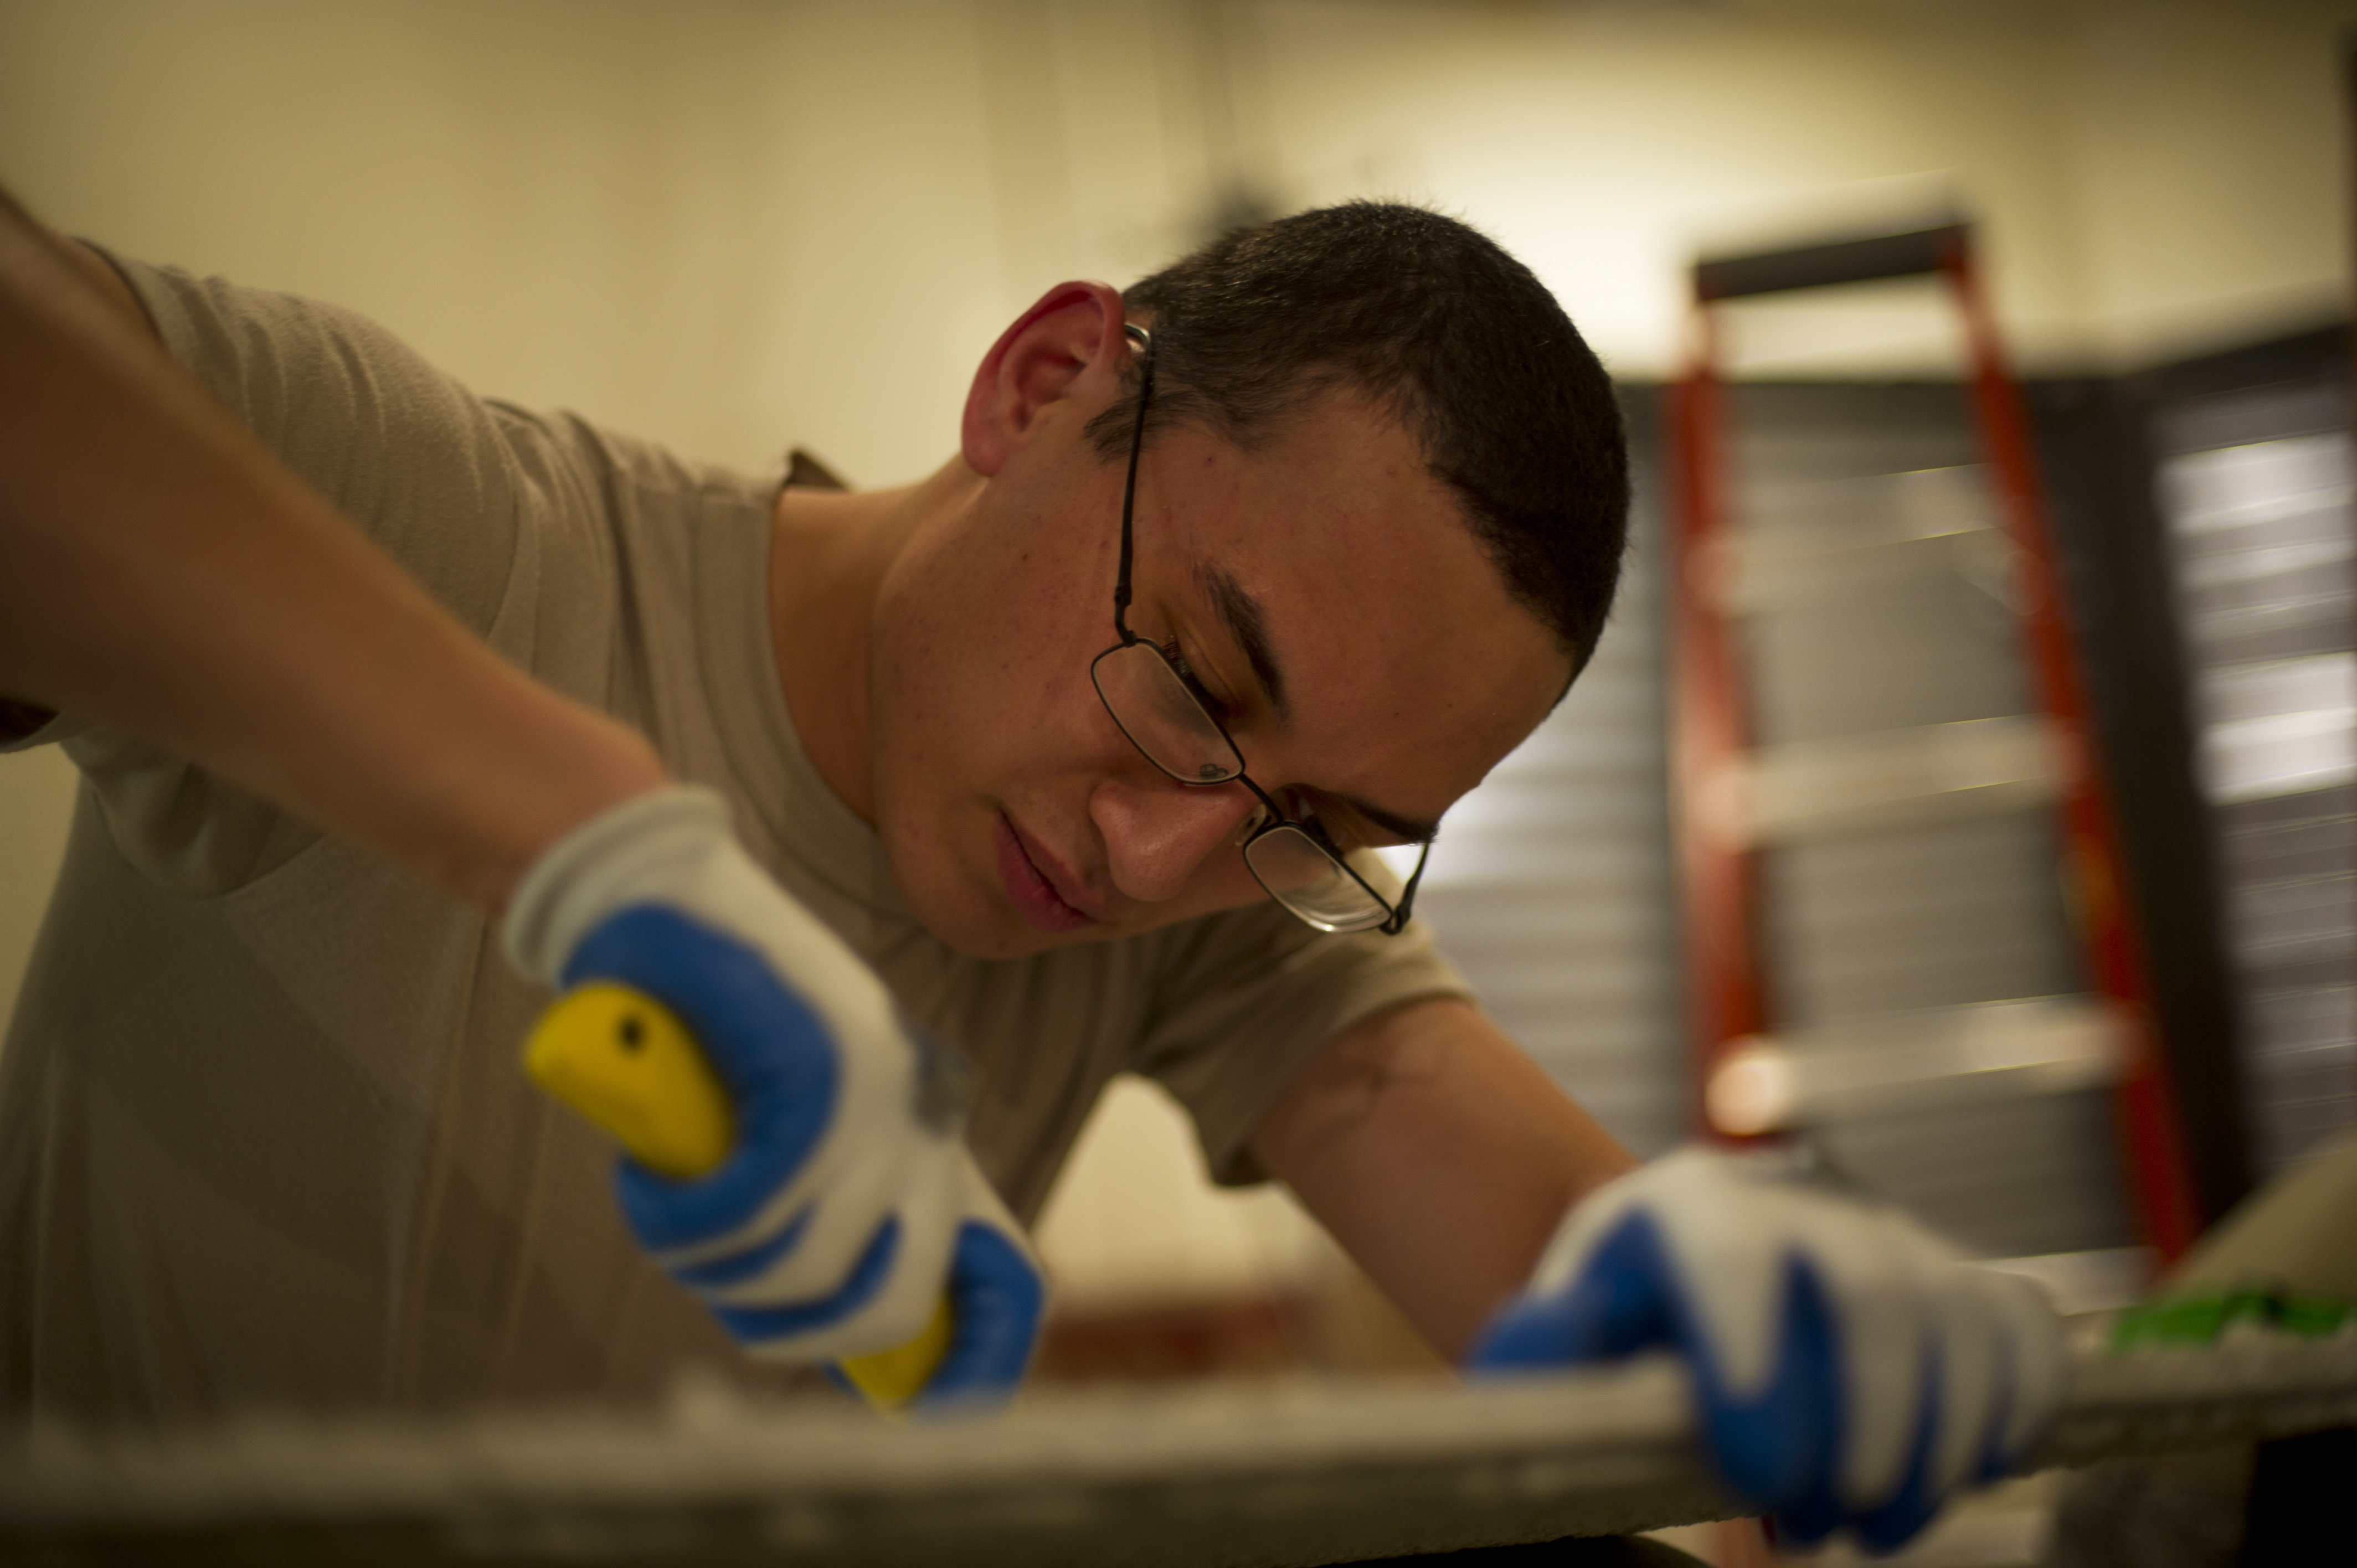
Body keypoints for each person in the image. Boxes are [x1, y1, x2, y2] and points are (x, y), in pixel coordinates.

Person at [0, 186, 2060, 1551]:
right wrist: (583, 843)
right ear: (1044, 383)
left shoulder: (1205, 909)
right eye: (1194, 671)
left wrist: (1711, 1278)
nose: (1161, 849)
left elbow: (1430, 1127)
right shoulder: (463, 526)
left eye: (1322, 830)